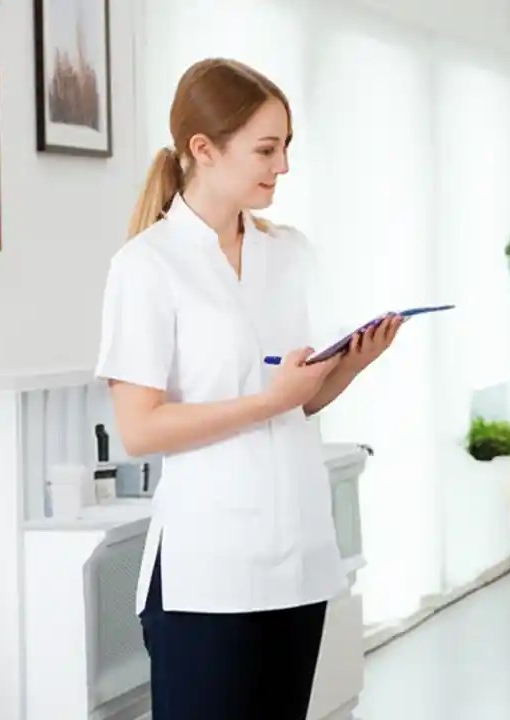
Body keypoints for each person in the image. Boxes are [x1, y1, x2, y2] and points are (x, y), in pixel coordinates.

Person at [95, 58, 404, 719]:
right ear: (203, 150)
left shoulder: (289, 253)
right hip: (208, 575)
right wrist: (270, 399)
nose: (282, 166)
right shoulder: (147, 266)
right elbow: (141, 428)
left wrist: (349, 364)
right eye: (267, 148)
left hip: (298, 561)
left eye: (287, 146)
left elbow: (302, 399)